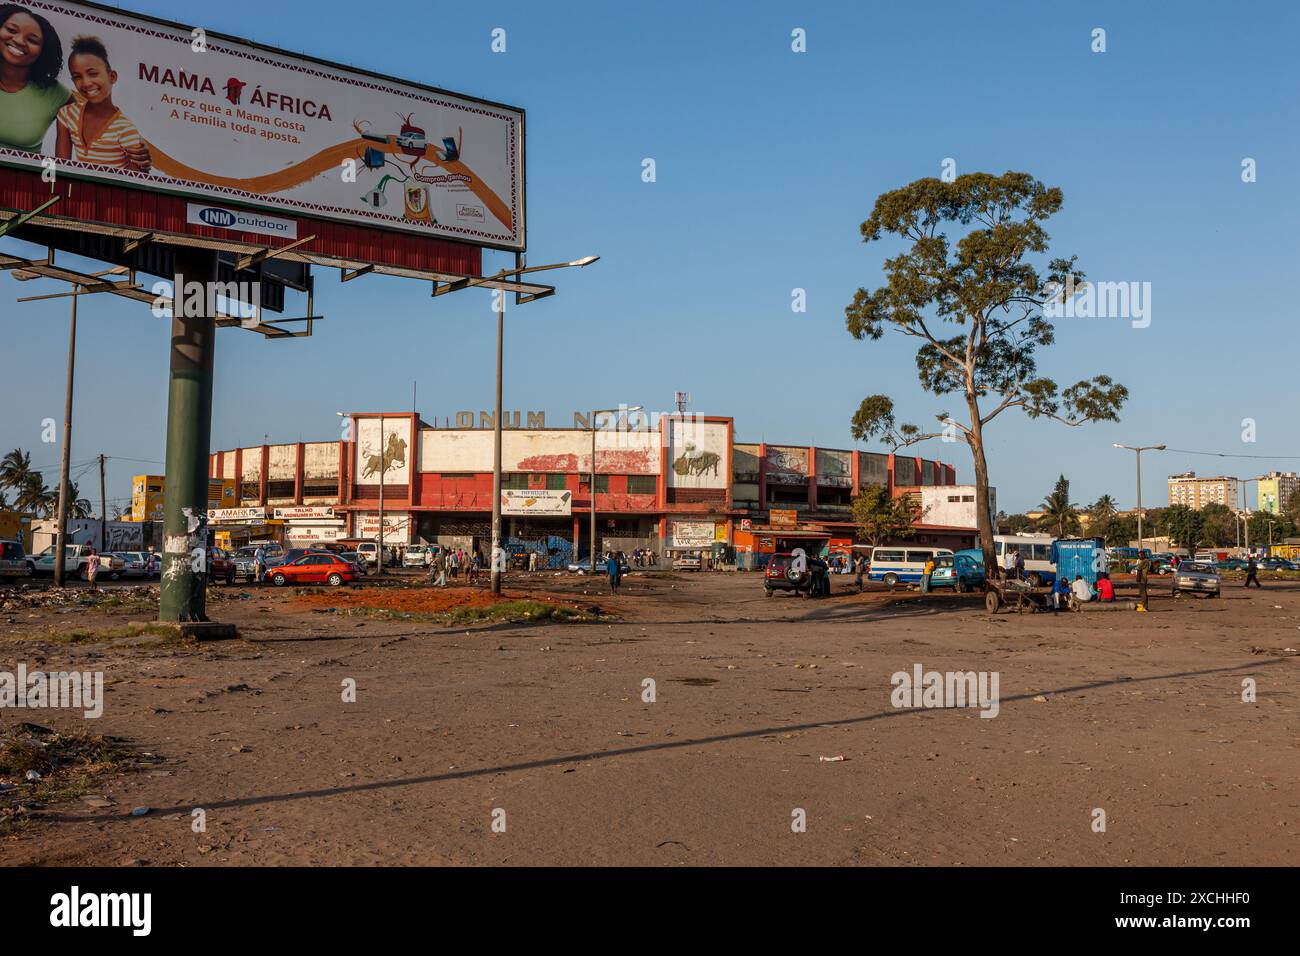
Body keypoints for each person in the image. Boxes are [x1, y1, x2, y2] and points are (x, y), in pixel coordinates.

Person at [54, 36, 151, 171]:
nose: (86, 83)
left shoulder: (125, 129)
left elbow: (133, 185)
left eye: (93, 74)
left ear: (112, 77)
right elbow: (60, 169)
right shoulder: (67, 115)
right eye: (77, 77)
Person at [0, 5, 70, 151]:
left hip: (21, 174)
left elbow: (93, 119)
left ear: (44, 51)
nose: (19, 41)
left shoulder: (56, 93)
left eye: (32, 40)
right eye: (12, 30)